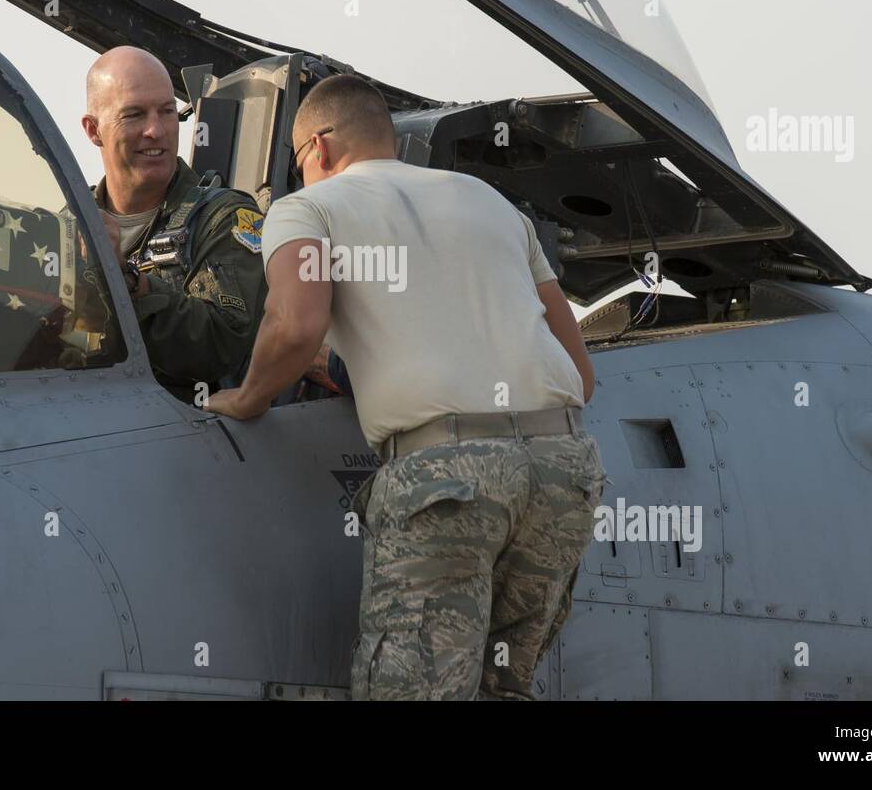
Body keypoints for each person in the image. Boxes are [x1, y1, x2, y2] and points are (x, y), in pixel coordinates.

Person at [206, 73, 605, 700]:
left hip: (445, 478)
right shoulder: (491, 203)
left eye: (297, 159)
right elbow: (579, 374)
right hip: (563, 471)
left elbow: (296, 326)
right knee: (502, 687)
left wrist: (246, 396)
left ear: (320, 147)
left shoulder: (306, 208)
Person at [81, 46, 267, 402]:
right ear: (93, 130)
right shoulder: (71, 225)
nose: (156, 130)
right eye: (134, 115)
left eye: (167, 112)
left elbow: (221, 346)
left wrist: (129, 282)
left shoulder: (222, 218)